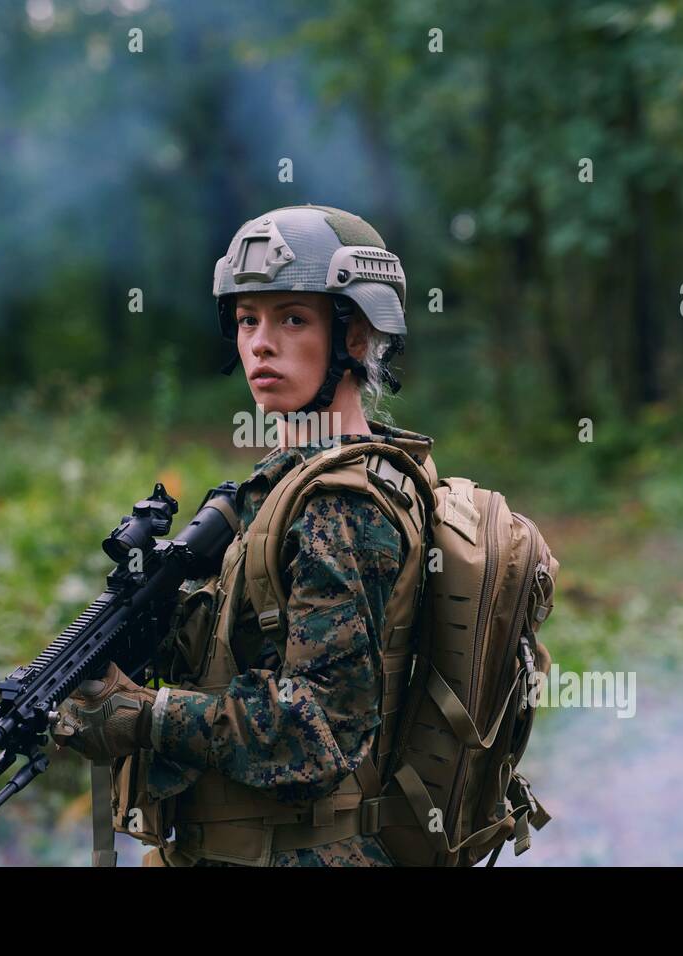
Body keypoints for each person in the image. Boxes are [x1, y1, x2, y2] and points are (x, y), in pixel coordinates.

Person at [52, 204, 435, 866]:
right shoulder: (296, 477)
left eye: (293, 318)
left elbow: (319, 731)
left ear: (356, 334)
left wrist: (145, 716)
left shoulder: (341, 505)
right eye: (248, 319)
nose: (260, 343)